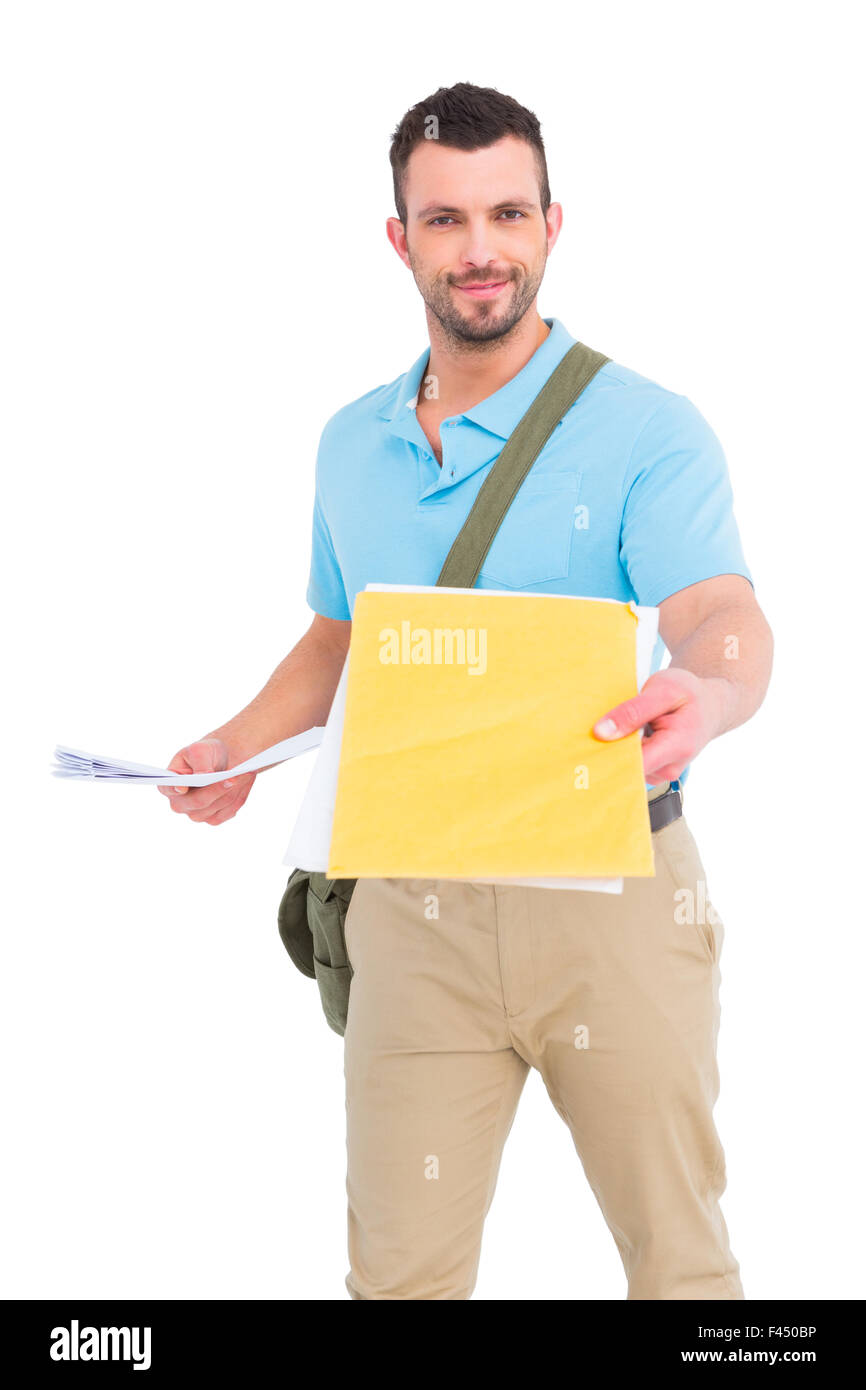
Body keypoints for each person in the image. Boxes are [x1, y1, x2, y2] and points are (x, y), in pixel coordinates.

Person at [159, 82, 773, 1300]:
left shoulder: (646, 428)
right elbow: (340, 639)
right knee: (398, 1278)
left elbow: (719, 614)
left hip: (614, 896)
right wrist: (230, 745)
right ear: (400, 239)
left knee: (680, 1266)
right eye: (444, 220)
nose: (480, 249)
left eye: (506, 212)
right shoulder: (350, 441)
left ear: (552, 223)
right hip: (409, 905)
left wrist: (706, 694)